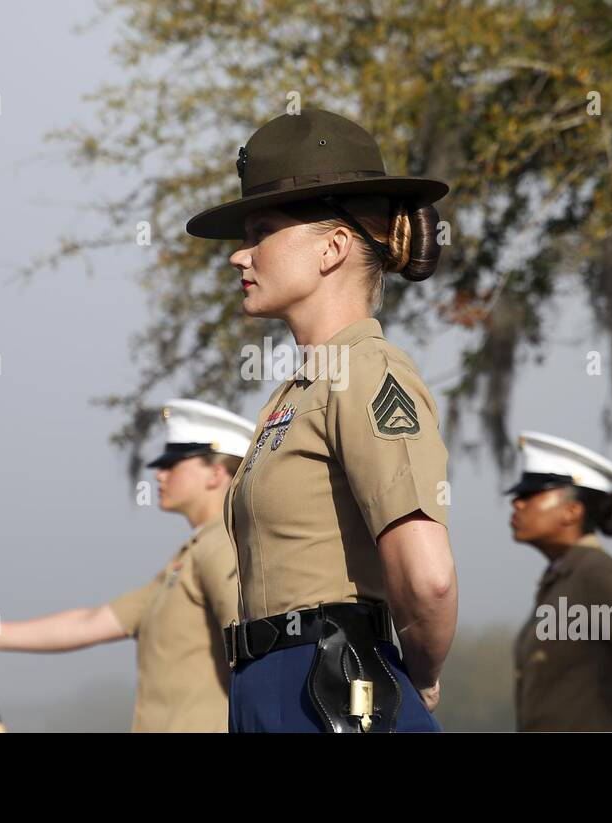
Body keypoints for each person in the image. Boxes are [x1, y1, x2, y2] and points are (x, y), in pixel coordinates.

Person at [185, 108, 457, 733]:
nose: (239, 257)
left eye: (260, 231)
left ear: (333, 247)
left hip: (335, 689)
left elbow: (431, 579)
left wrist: (418, 674)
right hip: (278, 688)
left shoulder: (367, 372)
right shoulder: (301, 390)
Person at [0, 399, 253, 732]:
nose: (159, 474)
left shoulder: (221, 545)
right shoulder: (188, 558)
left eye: (174, 463)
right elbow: (90, 623)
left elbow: (249, 650)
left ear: (216, 474)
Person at [508, 432, 612, 732]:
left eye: (532, 494)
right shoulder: (563, 575)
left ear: (572, 510)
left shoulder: (596, 573)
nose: (517, 503)